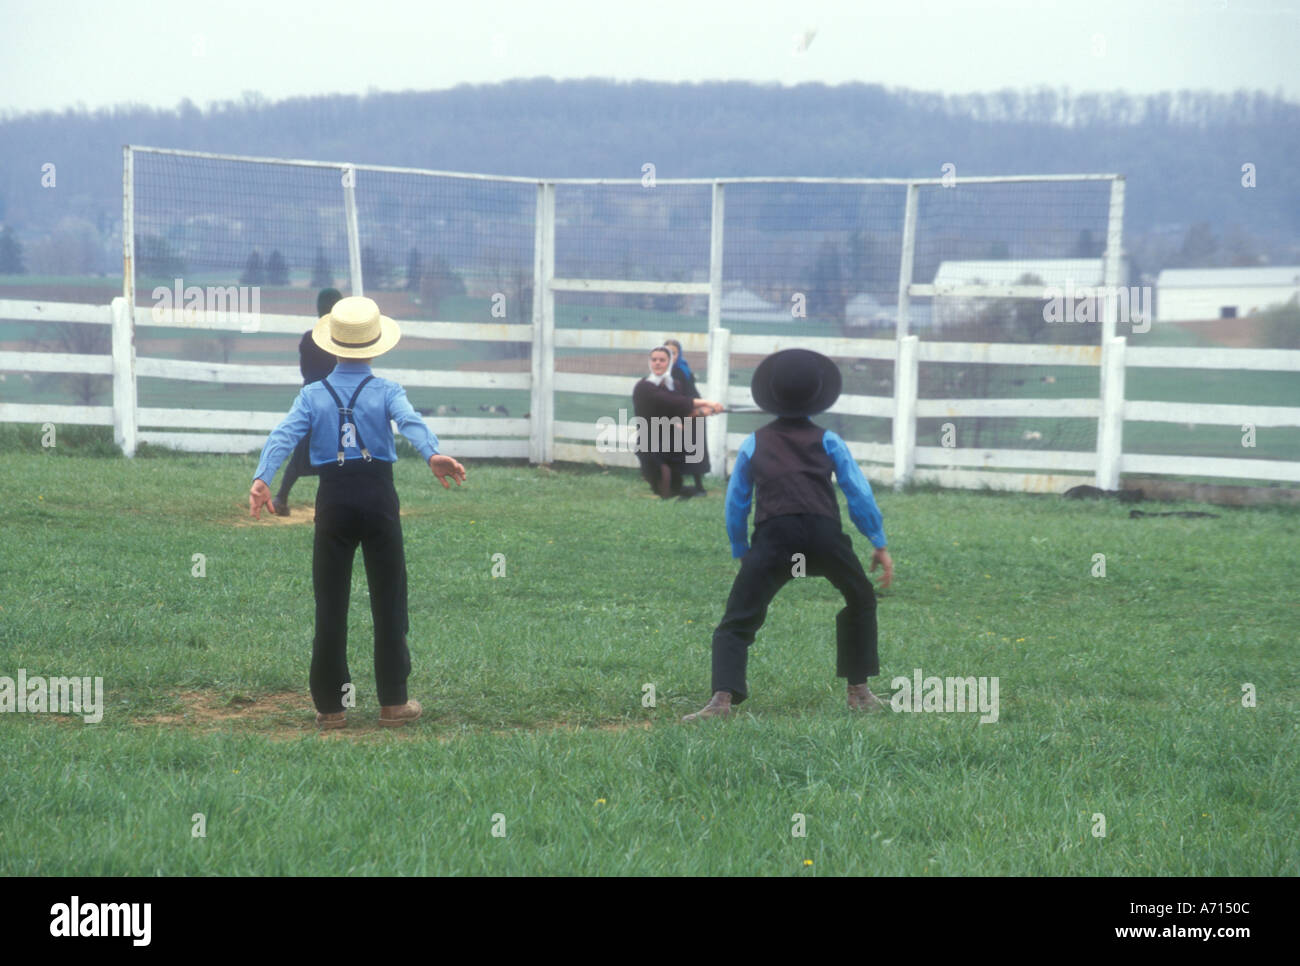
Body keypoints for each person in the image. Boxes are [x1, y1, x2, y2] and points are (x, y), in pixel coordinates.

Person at [249, 296, 468, 729]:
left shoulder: (312, 395)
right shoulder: (387, 390)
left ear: (332, 345)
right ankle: (393, 703)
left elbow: (282, 435)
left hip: (333, 499)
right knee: (389, 599)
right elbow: (411, 422)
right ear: (374, 346)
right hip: (378, 496)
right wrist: (432, 454)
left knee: (330, 602)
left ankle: (330, 708)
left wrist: (263, 478)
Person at [683, 348, 894, 721]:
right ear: (817, 396)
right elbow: (857, 491)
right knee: (861, 600)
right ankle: (858, 691)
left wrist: (741, 547)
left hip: (774, 536)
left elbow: (738, 501)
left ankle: (721, 700)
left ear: (770, 397)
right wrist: (877, 541)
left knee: (738, 618)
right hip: (824, 535)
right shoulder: (829, 440)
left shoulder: (754, 442)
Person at [270, 288, 343, 516]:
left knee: (302, 449)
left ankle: (281, 497)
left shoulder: (308, 339)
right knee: (336, 452)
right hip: (333, 402)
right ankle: (329, 504)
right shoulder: (339, 341)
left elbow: (305, 372)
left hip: (310, 399)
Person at [632, 346, 721, 499]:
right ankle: (668, 491)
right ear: (649, 363)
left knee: (673, 488)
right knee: (663, 488)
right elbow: (672, 401)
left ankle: (680, 491)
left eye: (662, 360)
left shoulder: (674, 385)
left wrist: (703, 412)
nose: (658, 363)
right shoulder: (644, 387)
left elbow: (680, 412)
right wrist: (707, 403)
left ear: (669, 362)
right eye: (654, 360)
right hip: (650, 442)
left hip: (671, 442)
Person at [664, 338, 712, 495]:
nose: (671, 356)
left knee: (694, 448)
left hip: (690, 411)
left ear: (679, 354)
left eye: (674, 353)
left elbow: (689, 393)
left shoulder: (681, 370)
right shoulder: (666, 371)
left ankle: (698, 486)